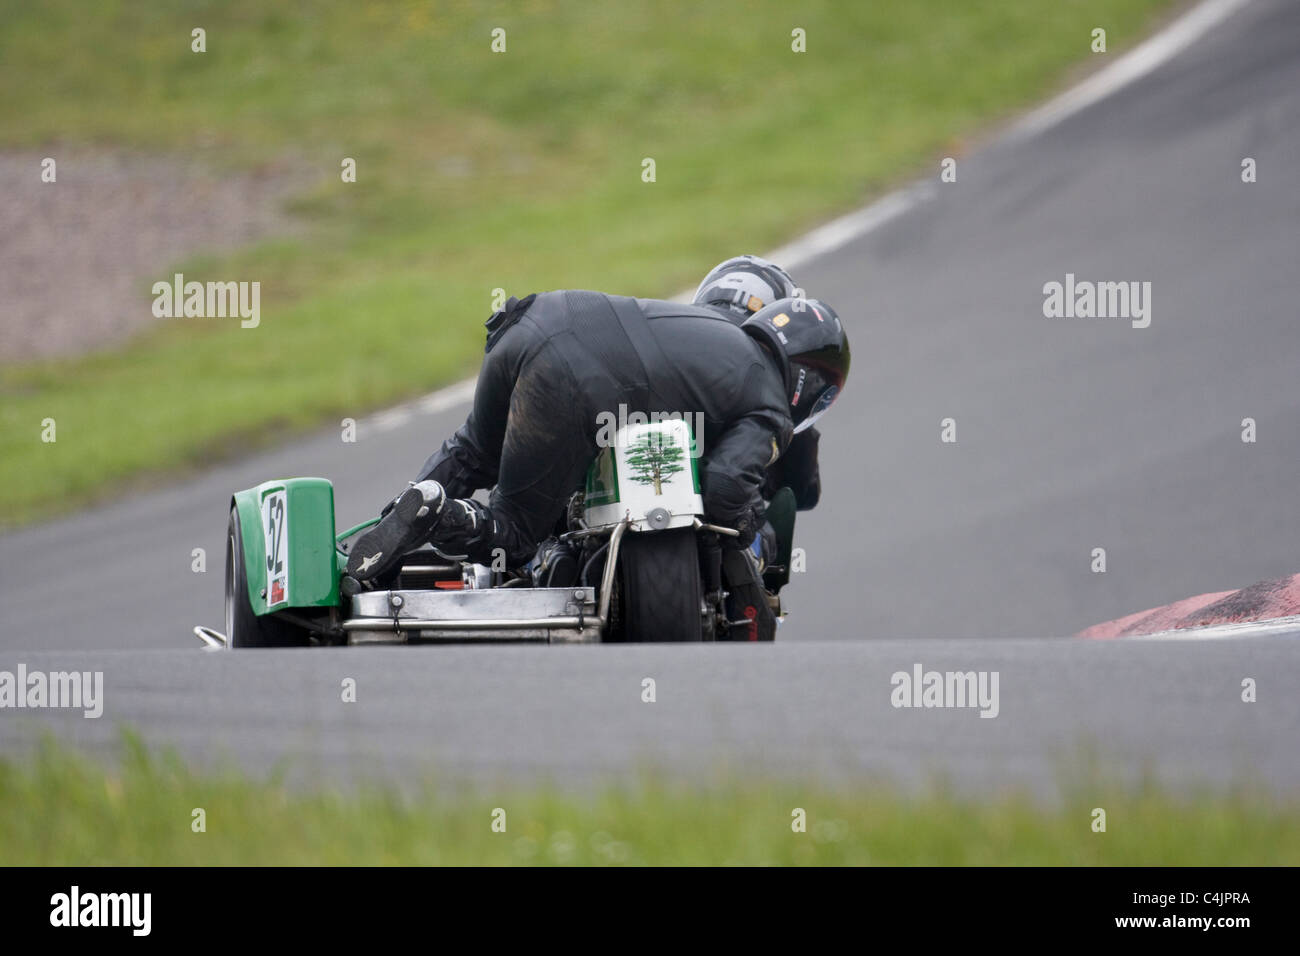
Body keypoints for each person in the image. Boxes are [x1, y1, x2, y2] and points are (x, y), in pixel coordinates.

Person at [345, 275, 849, 639]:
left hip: (531, 321)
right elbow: (722, 490)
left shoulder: (709, 330)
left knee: (473, 451)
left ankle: (390, 533)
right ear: (812, 386)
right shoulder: (770, 403)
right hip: (573, 380)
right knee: (514, 535)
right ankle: (444, 514)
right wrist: (745, 527)